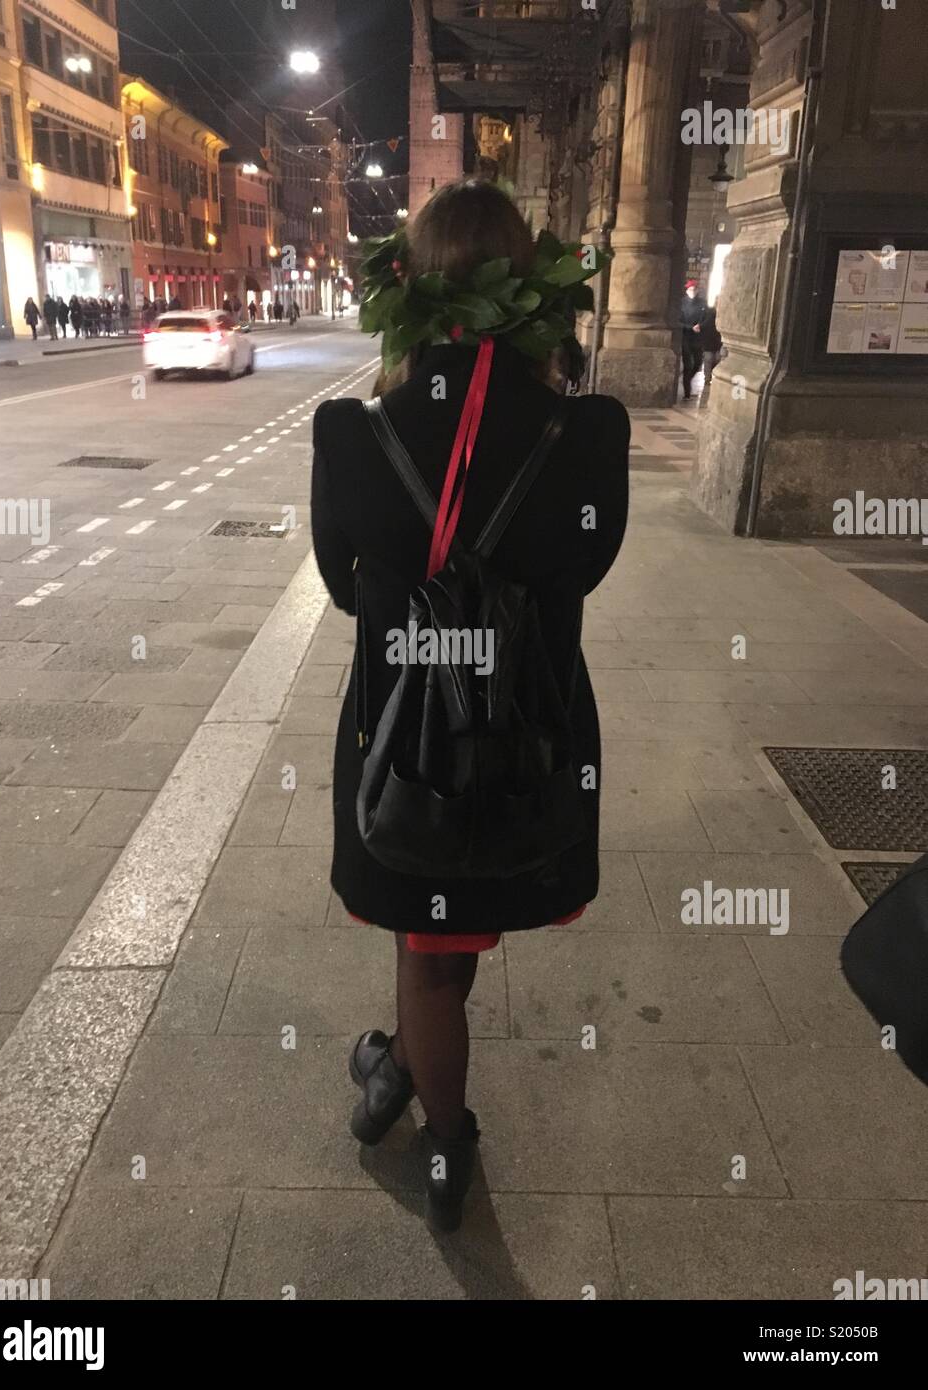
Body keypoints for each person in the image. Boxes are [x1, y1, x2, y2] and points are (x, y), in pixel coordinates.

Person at [311, 179, 629, 1230]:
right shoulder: (588, 434)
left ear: (409, 283)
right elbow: (583, 572)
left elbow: (339, 584)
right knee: (454, 920)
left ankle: (446, 1139)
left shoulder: (353, 436)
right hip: (525, 737)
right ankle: (407, 1058)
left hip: (404, 737)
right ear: (526, 283)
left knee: (430, 944)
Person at [679, 278, 706, 401]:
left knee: (698, 362)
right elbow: (678, 321)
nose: (692, 291)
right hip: (686, 336)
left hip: (698, 337)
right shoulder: (682, 303)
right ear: (687, 290)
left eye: (694, 289)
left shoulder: (702, 303)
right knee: (687, 365)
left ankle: (688, 379)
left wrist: (700, 326)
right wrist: (690, 327)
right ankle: (687, 392)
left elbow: (706, 317)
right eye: (690, 289)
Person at [698, 305, 723, 409]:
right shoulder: (709, 312)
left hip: (717, 343)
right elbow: (704, 324)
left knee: (717, 359)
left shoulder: (722, 314)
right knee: (708, 360)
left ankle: (712, 377)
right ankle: (707, 379)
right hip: (708, 343)